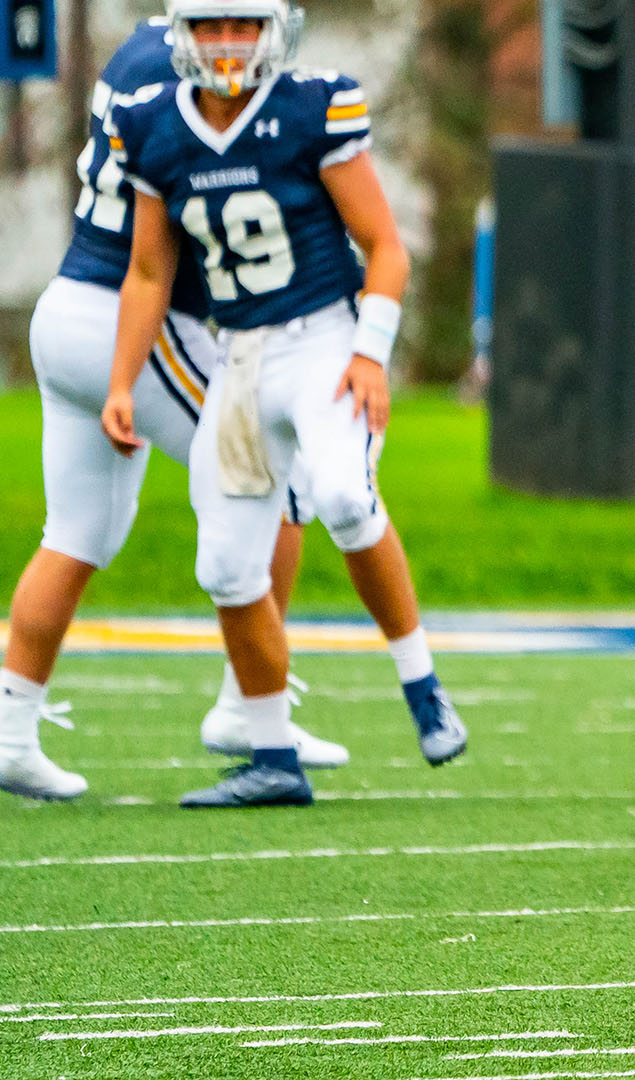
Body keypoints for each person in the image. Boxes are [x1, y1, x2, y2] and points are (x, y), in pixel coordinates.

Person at [103, 0, 466, 808]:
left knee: (341, 491)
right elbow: (150, 274)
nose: (228, 43)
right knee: (225, 567)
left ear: (274, 30)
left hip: (324, 343)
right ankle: (272, 756)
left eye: (242, 25)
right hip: (239, 359)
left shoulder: (313, 106)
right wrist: (123, 382)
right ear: (182, 35)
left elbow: (385, 247)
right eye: (210, 27)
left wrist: (371, 354)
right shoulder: (151, 122)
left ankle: (423, 687)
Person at [1, 15, 347, 802]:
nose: (240, 40)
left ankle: (10, 732)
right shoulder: (194, 70)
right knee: (285, 483)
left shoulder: (139, 48)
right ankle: (248, 706)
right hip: (131, 319)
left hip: (69, 309)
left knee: (77, 533)